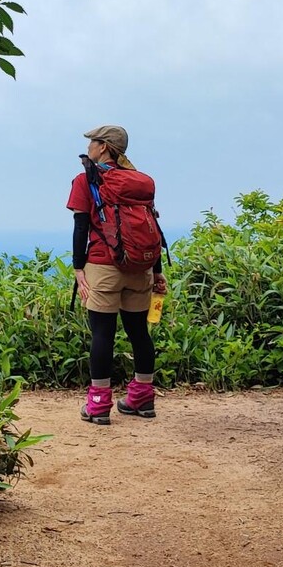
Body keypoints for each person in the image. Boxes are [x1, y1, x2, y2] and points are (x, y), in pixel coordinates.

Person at [66, 124, 167, 425]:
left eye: (93, 142)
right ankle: (142, 397)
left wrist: (78, 267)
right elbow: (152, 226)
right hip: (140, 267)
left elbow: (81, 226)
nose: (89, 147)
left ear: (105, 147)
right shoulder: (139, 182)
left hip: (103, 266)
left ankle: (98, 405)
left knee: (102, 334)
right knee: (139, 332)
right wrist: (157, 270)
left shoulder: (86, 180)